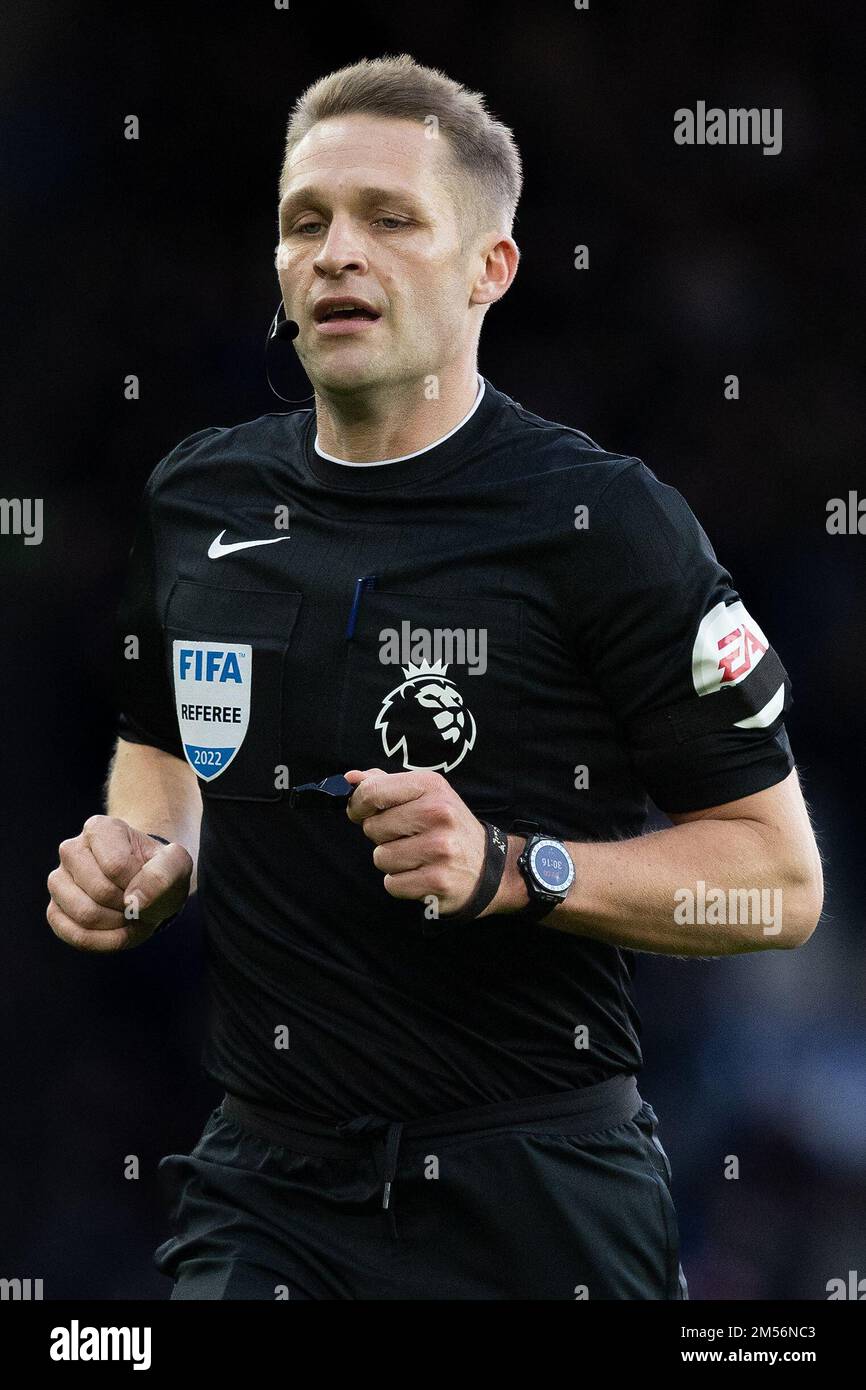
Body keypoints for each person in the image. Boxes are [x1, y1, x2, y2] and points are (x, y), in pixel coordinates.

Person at [47, 54, 823, 1300]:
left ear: (489, 270)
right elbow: (161, 738)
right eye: (307, 221)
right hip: (269, 1187)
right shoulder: (198, 495)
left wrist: (513, 870)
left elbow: (777, 883)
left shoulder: (603, 522)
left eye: (389, 219)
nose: (335, 252)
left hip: (537, 1189)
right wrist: (147, 854)